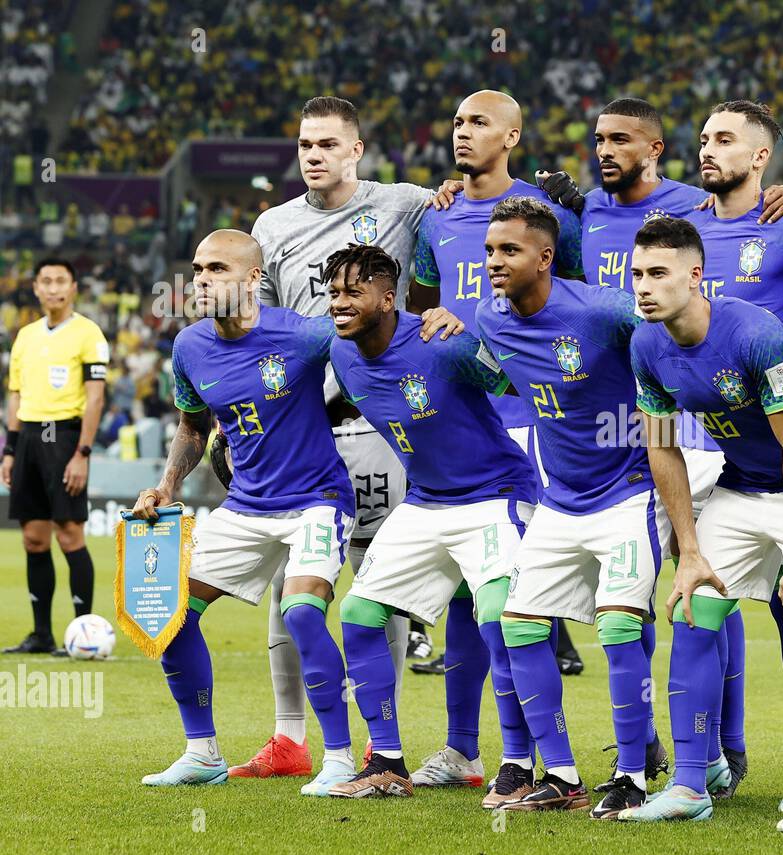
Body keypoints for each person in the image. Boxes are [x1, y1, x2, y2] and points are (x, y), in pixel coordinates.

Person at [424, 196, 672, 818]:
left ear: (545, 256)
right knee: (519, 627)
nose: (493, 262)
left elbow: (682, 330)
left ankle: (633, 774)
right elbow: (500, 378)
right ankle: (559, 774)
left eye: (509, 251)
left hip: (630, 489)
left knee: (618, 628)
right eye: (488, 251)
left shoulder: (604, 310)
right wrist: (453, 335)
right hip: (558, 498)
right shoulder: (490, 316)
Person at [624, 217, 783, 825]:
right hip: (741, 482)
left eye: (658, 274)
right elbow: (662, 450)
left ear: (695, 276)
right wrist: (691, 549)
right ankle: (689, 787)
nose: (644, 288)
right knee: (693, 606)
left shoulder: (753, 335)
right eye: (636, 276)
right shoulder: (646, 344)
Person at [128, 230, 355, 793]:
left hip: (318, 501)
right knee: (170, 611)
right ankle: (202, 753)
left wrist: (433, 320)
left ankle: (342, 759)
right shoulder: (189, 346)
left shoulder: (304, 334)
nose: (202, 278)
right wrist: (167, 484)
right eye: (198, 268)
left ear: (254, 279)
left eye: (218, 269)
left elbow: (373, 342)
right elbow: (192, 425)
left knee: (302, 612)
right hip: (248, 504)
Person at [239, 95, 421, 781]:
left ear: (356, 150)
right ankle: (289, 739)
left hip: (377, 426)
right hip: (303, 431)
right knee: (297, 581)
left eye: (326, 144)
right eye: (303, 144)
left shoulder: (406, 204)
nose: (312, 154)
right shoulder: (273, 225)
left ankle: (384, 739)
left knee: (381, 581)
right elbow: (270, 327)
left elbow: (471, 207)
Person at [325, 243, 540, 802]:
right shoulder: (340, 355)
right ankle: (387, 763)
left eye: (353, 291)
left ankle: (519, 766)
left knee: (495, 615)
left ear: (388, 297)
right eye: (333, 292)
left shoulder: (441, 342)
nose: (339, 302)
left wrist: (474, 329)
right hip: (424, 501)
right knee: (359, 611)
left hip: (494, 494)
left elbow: (524, 385)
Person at [684, 99, 783, 808]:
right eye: (704, 138)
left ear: (761, 156)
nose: (707, 149)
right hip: (722, 451)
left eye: (725, 140)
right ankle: (703, 758)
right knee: (700, 603)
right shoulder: (681, 230)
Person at [3, 257, 106, 655]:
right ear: (35, 288)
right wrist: (10, 450)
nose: (52, 288)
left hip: (64, 437)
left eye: (60, 280)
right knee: (33, 539)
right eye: (45, 281)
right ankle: (41, 634)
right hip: (28, 436)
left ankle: (86, 634)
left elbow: (95, 398)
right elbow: (15, 395)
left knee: (68, 533)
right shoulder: (25, 336)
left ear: (74, 287)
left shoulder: (88, 334)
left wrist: (82, 452)